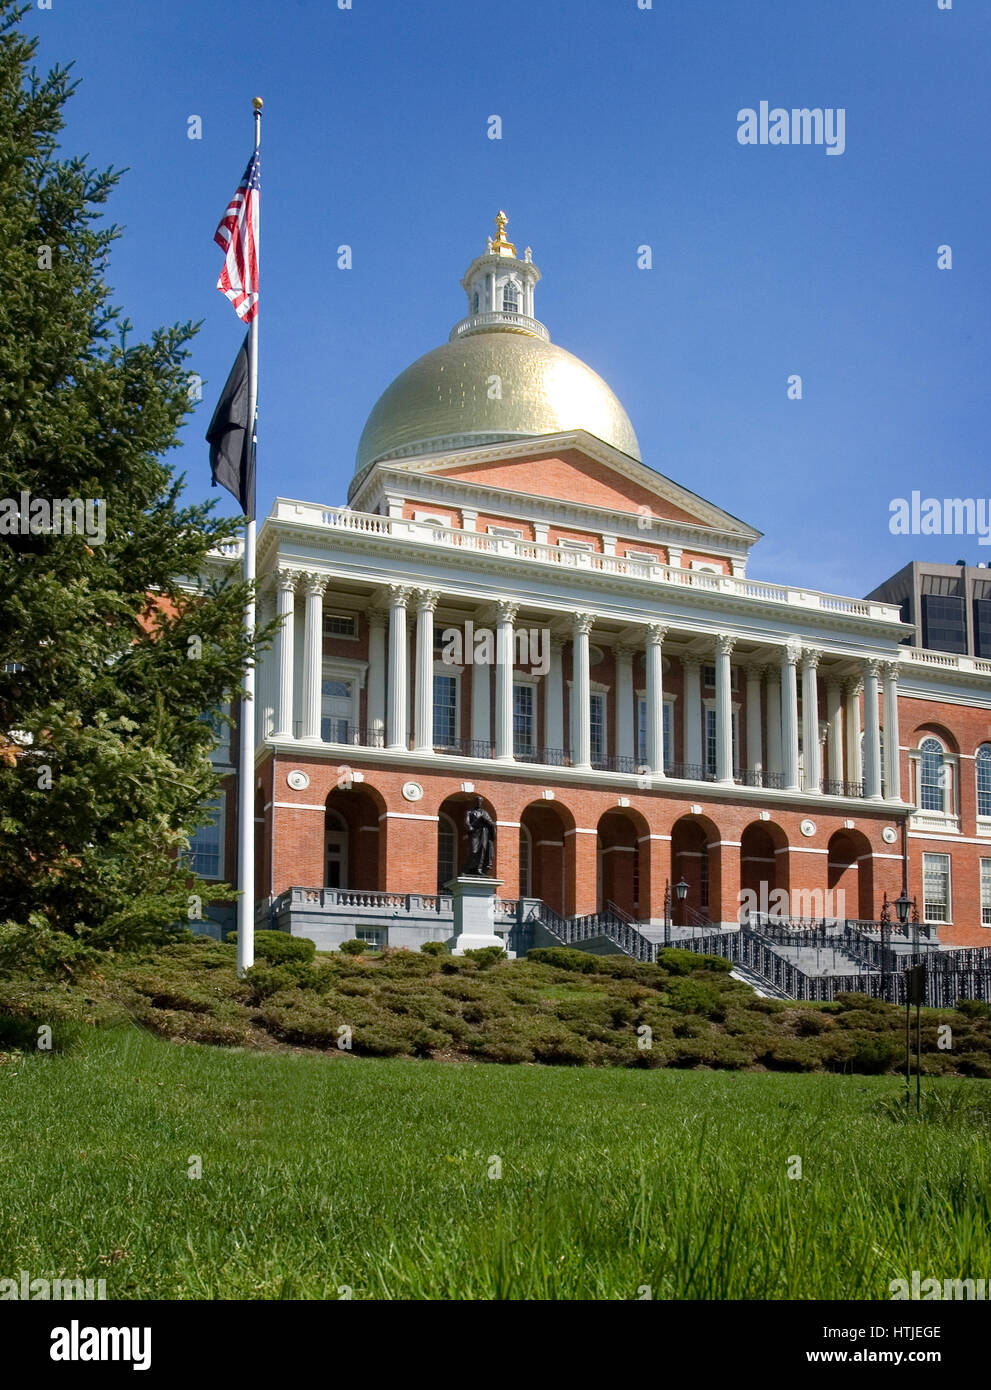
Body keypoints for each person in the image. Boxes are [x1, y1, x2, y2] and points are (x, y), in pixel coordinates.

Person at [463, 796, 495, 875]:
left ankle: (479, 869)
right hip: (474, 833)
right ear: (475, 802)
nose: (479, 803)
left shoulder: (485, 813)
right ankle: (467, 868)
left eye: (480, 802)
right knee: (473, 850)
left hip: (483, 833)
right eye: (477, 801)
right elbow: (467, 822)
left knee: (482, 851)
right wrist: (470, 827)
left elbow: (491, 822)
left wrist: (487, 820)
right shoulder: (470, 812)